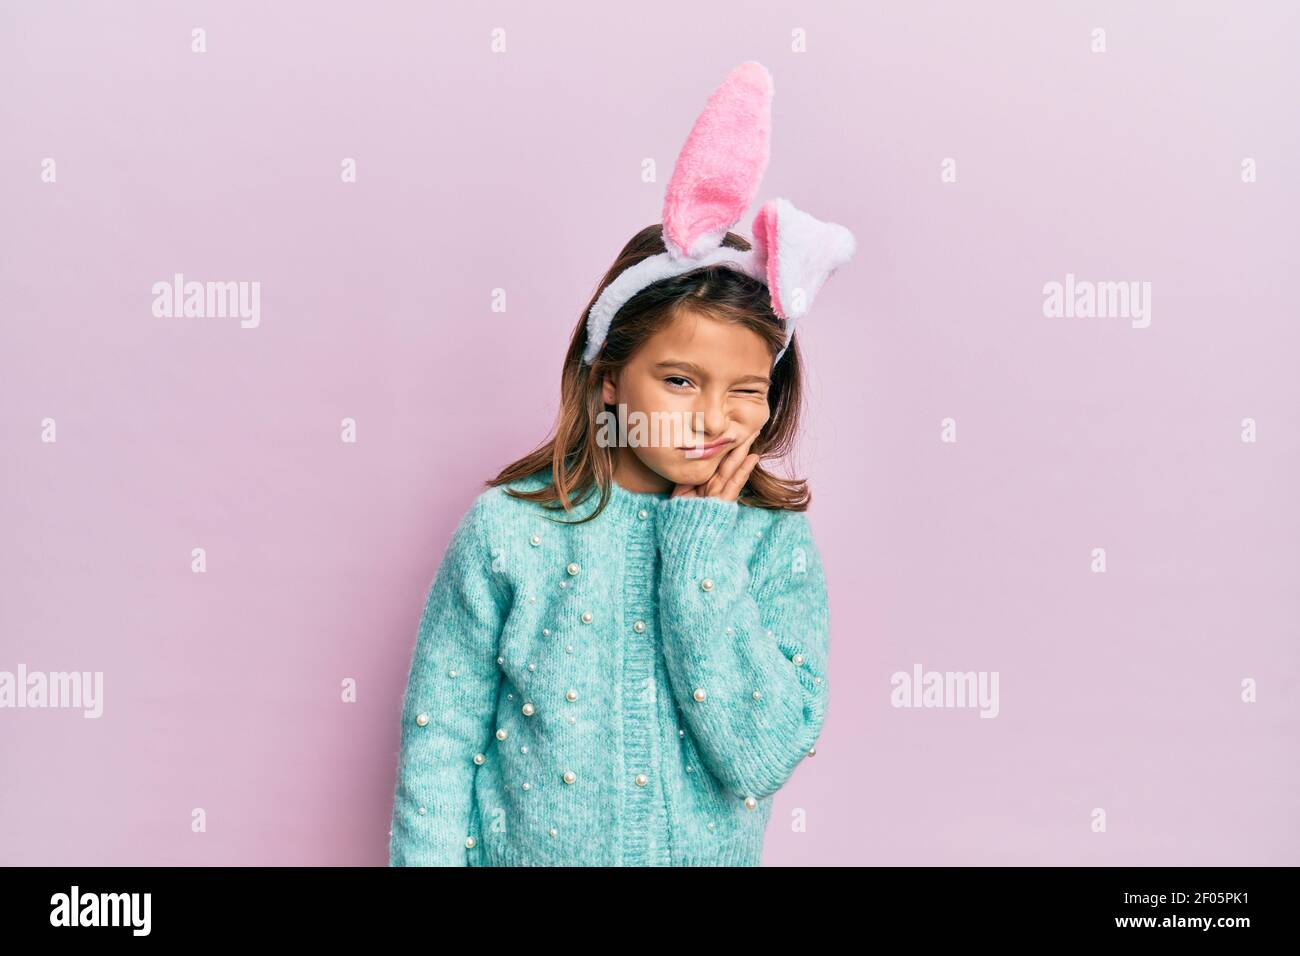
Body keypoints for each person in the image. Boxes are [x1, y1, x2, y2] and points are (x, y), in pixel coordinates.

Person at [388, 60, 855, 866]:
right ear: (609, 381)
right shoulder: (513, 530)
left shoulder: (771, 542)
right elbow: (440, 747)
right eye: (679, 381)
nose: (713, 418)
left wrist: (702, 539)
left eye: (745, 390)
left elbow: (759, 755)